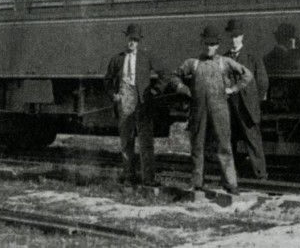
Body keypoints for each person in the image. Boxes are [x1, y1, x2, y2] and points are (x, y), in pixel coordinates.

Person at [171, 25, 254, 194]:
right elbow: (174, 76)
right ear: (202, 43)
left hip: (220, 110)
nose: (210, 47)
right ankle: (197, 183)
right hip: (198, 110)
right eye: (207, 44)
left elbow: (247, 75)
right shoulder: (192, 64)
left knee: (224, 146)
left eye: (213, 44)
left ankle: (231, 184)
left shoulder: (225, 62)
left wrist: (233, 89)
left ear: (217, 45)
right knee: (197, 146)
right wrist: (185, 90)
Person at [104, 23, 165, 186]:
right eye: (131, 39)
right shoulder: (117, 59)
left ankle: (148, 179)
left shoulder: (146, 57)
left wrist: (153, 92)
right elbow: (107, 80)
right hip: (124, 101)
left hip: (143, 103)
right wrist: (114, 95)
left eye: (136, 40)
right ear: (126, 38)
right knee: (126, 141)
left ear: (139, 41)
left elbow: (164, 75)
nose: (133, 42)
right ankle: (129, 177)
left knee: (146, 142)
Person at [222, 19, 269, 180]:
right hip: (229, 105)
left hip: (247, 104)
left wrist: (256, 100)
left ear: (242, 37)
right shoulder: (225, 57)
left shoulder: (252, 55)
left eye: (237, 36)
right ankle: (232, 174)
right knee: (230, 141)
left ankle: (260, 174)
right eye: (232, 36)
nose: (234, 39)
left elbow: (262, 80)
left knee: (253, 140)